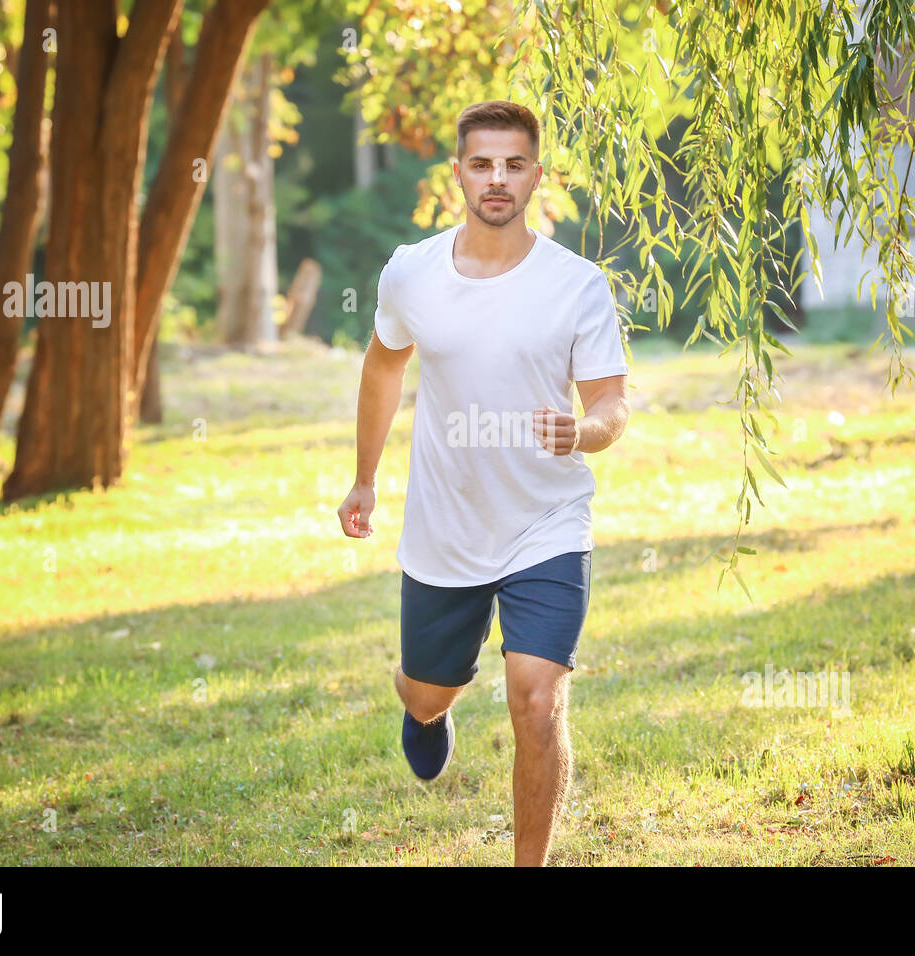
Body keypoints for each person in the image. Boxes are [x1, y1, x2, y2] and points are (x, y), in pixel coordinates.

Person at [337, 100, 630, 866]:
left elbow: (609, 401)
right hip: (447, 525)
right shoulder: (412, 272)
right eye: (481, 163)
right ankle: (426, 707)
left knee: (537, 700)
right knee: (428, 692)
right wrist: (364, 479)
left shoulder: (577, 284)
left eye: (513, 163)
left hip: (546, 521)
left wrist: (587, 431)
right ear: (458, 173)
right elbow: (382, 365)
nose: (497, 178)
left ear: (537, 174)